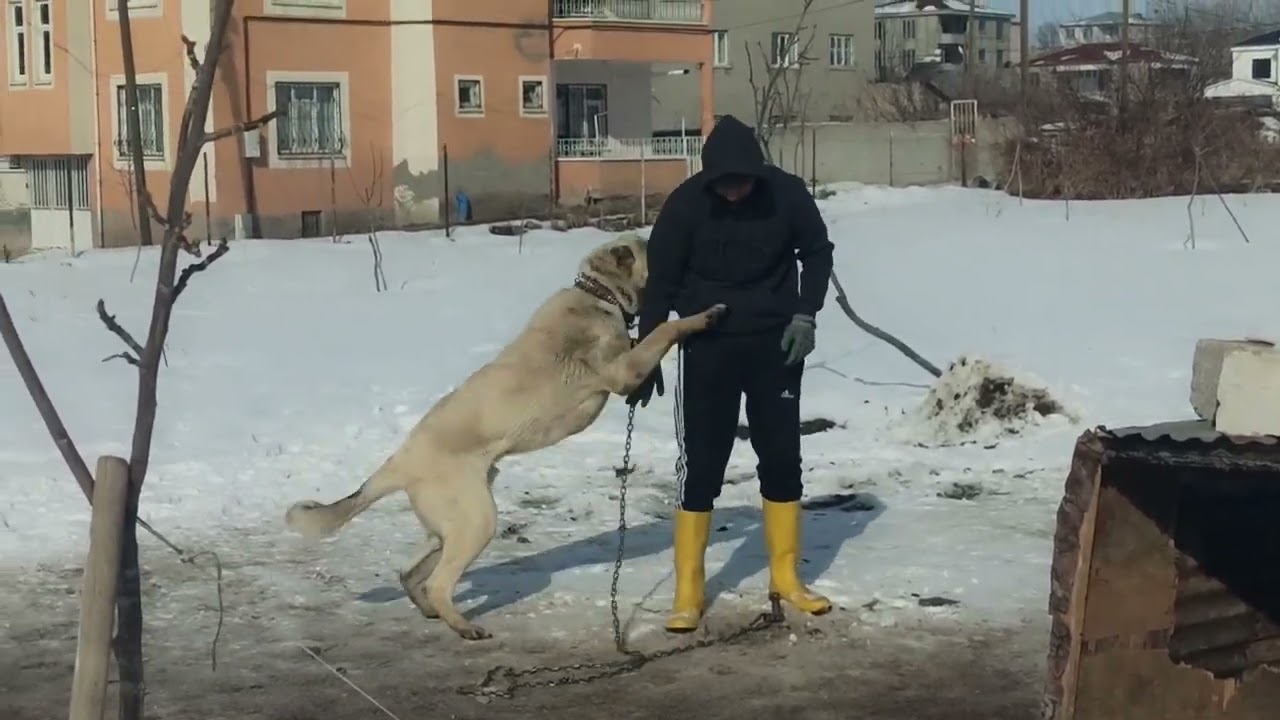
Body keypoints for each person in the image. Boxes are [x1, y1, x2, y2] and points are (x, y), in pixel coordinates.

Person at [627, 114, 835, 633]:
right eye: (725, 183)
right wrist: (647, 352)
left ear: (758, 173)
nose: (735, 192)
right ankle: (688, 590)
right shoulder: (684, 205)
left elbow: (817, 252)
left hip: (776, 346)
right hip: (707, 345)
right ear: (709, 178)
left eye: (743, 181)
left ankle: (786, 576)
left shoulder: (786, 195)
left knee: (782, 457)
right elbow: (661, 284)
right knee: (702, 464)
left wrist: (806, 314)